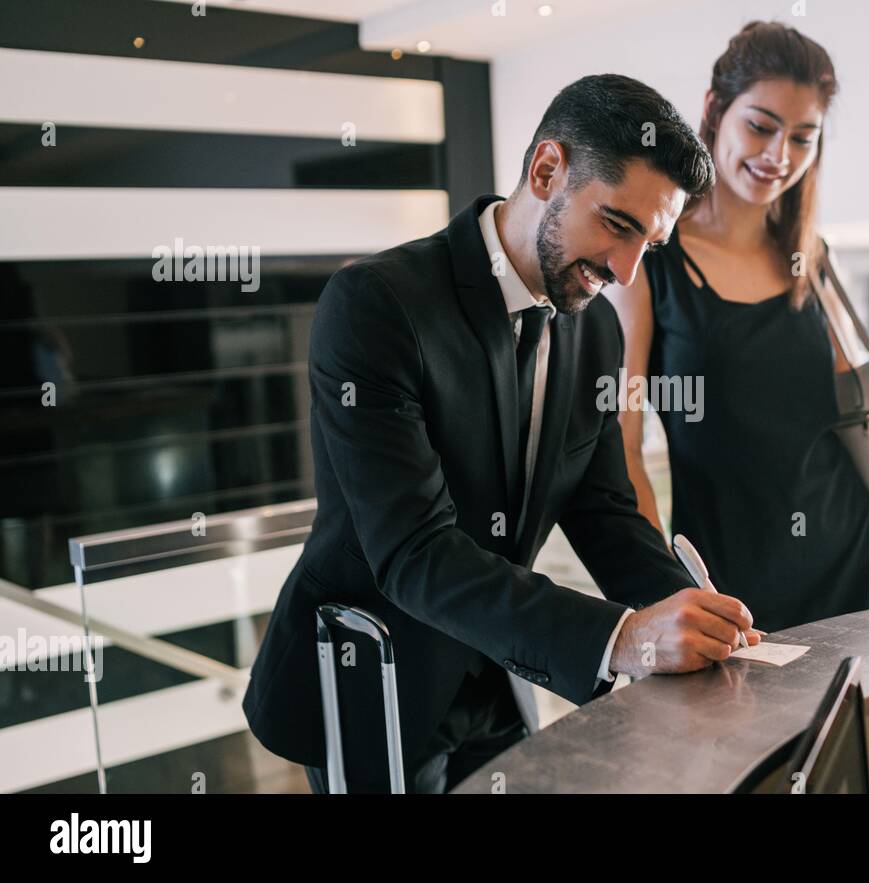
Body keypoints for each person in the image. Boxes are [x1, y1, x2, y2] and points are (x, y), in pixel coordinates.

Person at [243, 74, 761, 794]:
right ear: (546, 169)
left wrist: (691, 617)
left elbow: (604, 510)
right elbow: (415, 552)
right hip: (378, 678)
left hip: (506, 669)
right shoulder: (376, 306)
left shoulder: (596, 330)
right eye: (617, 225)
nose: (625, 270)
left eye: (651, 241)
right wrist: (623, 638)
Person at [607, 22, 869, 634]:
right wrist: (662, 586)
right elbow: (624, 445)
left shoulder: (809, 256)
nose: (779, 156)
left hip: (846, 556)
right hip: (722, 579)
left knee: (859, 731)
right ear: (715, 111)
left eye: (803, 137)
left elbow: (848, 399)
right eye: (761, 126)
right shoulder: (651, 260)